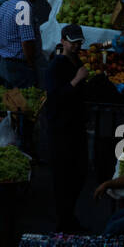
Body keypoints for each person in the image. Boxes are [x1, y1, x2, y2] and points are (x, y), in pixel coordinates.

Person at [47, 25, 90, 232]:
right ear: (63, 41)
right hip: (62, 130)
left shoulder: (76, 61)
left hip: (76, 126)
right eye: (72, 42)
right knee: (64, 178)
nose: (76, 46)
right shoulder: (56, 66)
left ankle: (69, 217)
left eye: (78, 42)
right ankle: (63, 222)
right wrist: (77, 80)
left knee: (79, 172)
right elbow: (55, 98)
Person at [0, 0, 43, 88]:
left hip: (4, 63)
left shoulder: (6, 4)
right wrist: (31, 65)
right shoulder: (24, 8)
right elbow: (27, 42)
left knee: (11, 101)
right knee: (25, 102)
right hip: (19, 67)